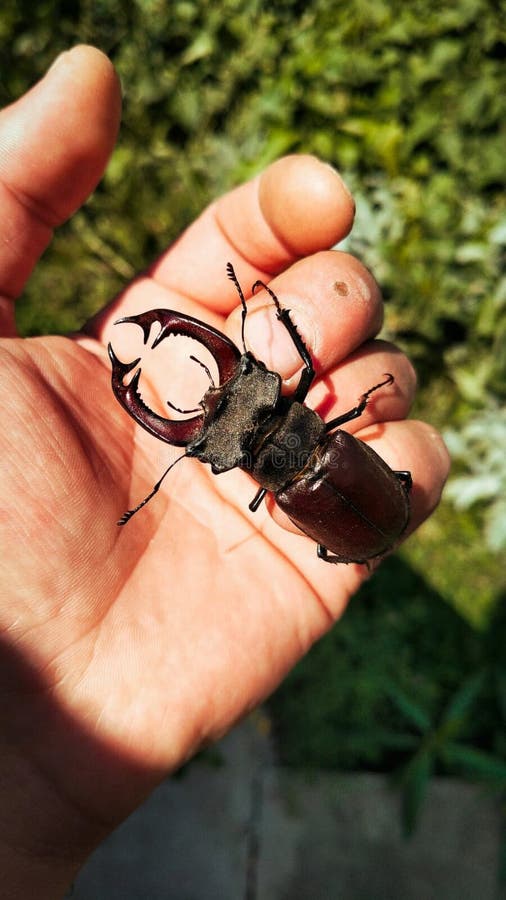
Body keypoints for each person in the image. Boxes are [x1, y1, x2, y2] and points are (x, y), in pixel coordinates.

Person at [0, 45, 449, 897]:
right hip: (350, 494)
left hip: (345, 501)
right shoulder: (330, 444)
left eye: (259, 400)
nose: (245, 408)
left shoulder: (284, 480)